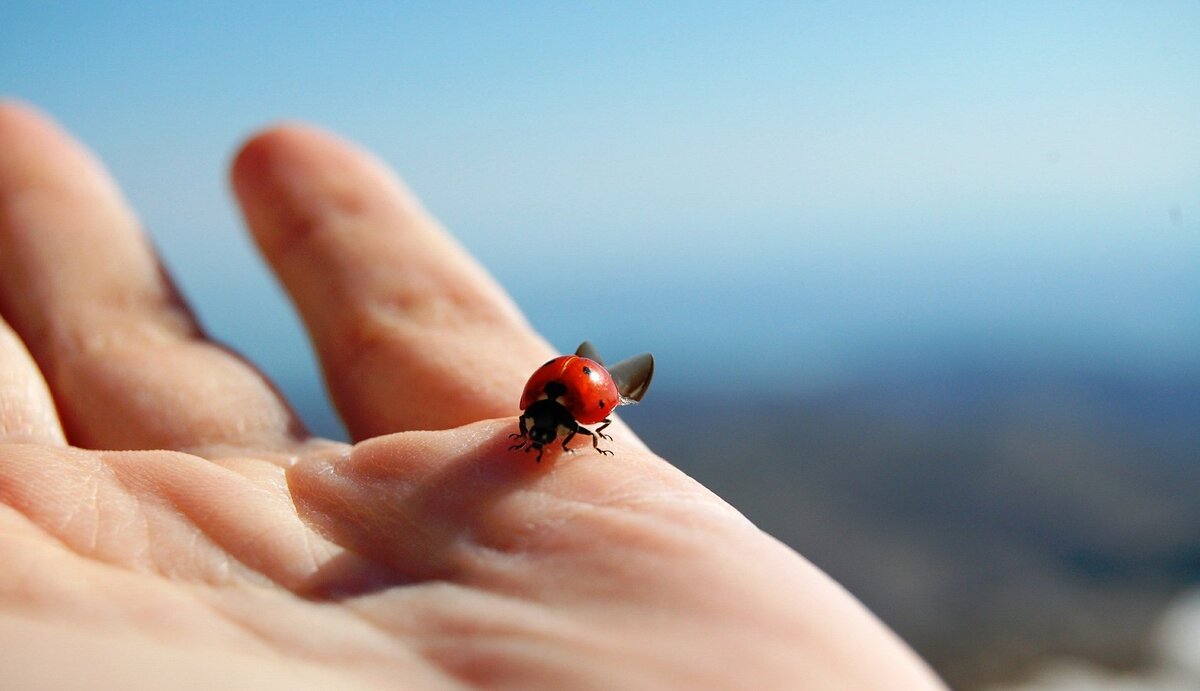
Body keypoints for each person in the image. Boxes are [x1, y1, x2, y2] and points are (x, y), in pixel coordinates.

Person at [0, 100, 944, 689]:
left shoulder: (565, 405)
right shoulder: (570, 406)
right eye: (542, 424)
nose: (533, 435)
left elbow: (572, 404)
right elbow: (575, 405)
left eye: (543, 424)